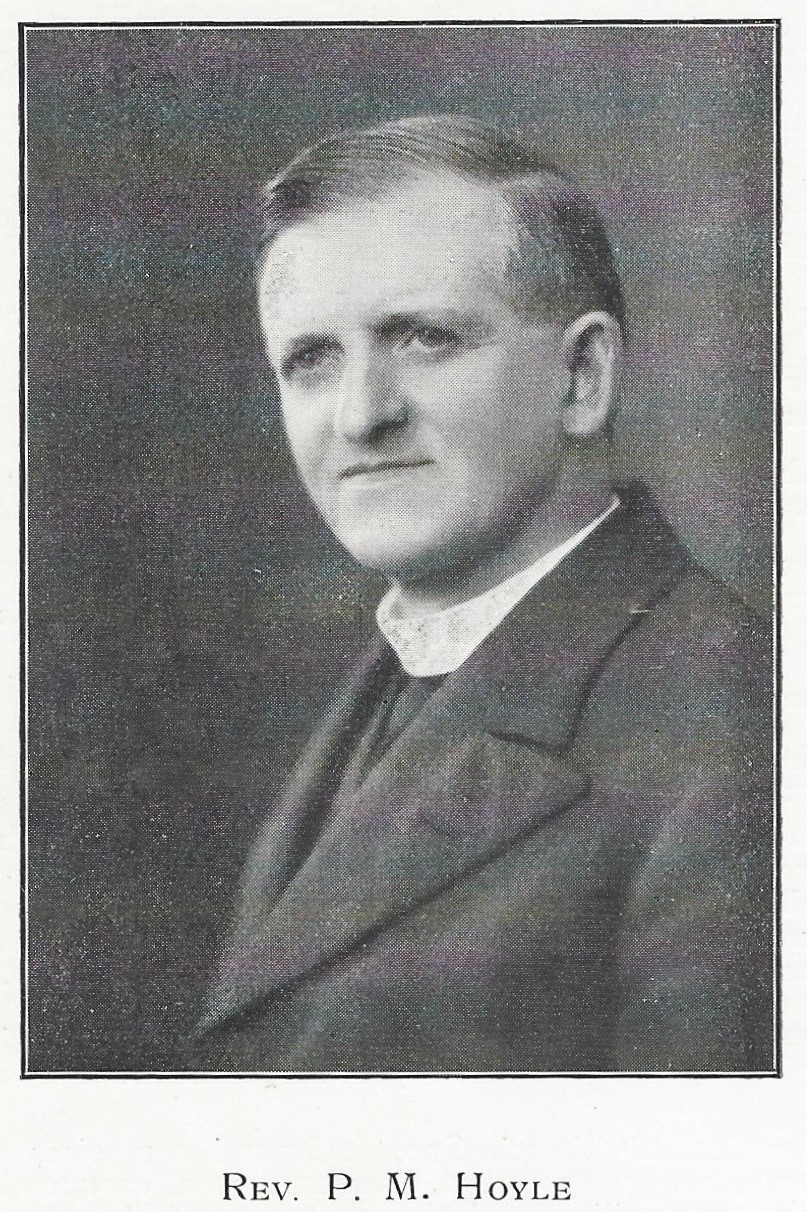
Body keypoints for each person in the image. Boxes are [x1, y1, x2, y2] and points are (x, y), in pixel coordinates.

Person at [194, 115, 773, 1073]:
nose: (360, 415)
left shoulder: (737, 727)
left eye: (424, 338)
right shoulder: (396, 675)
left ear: (580, 377)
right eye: (311, 360)